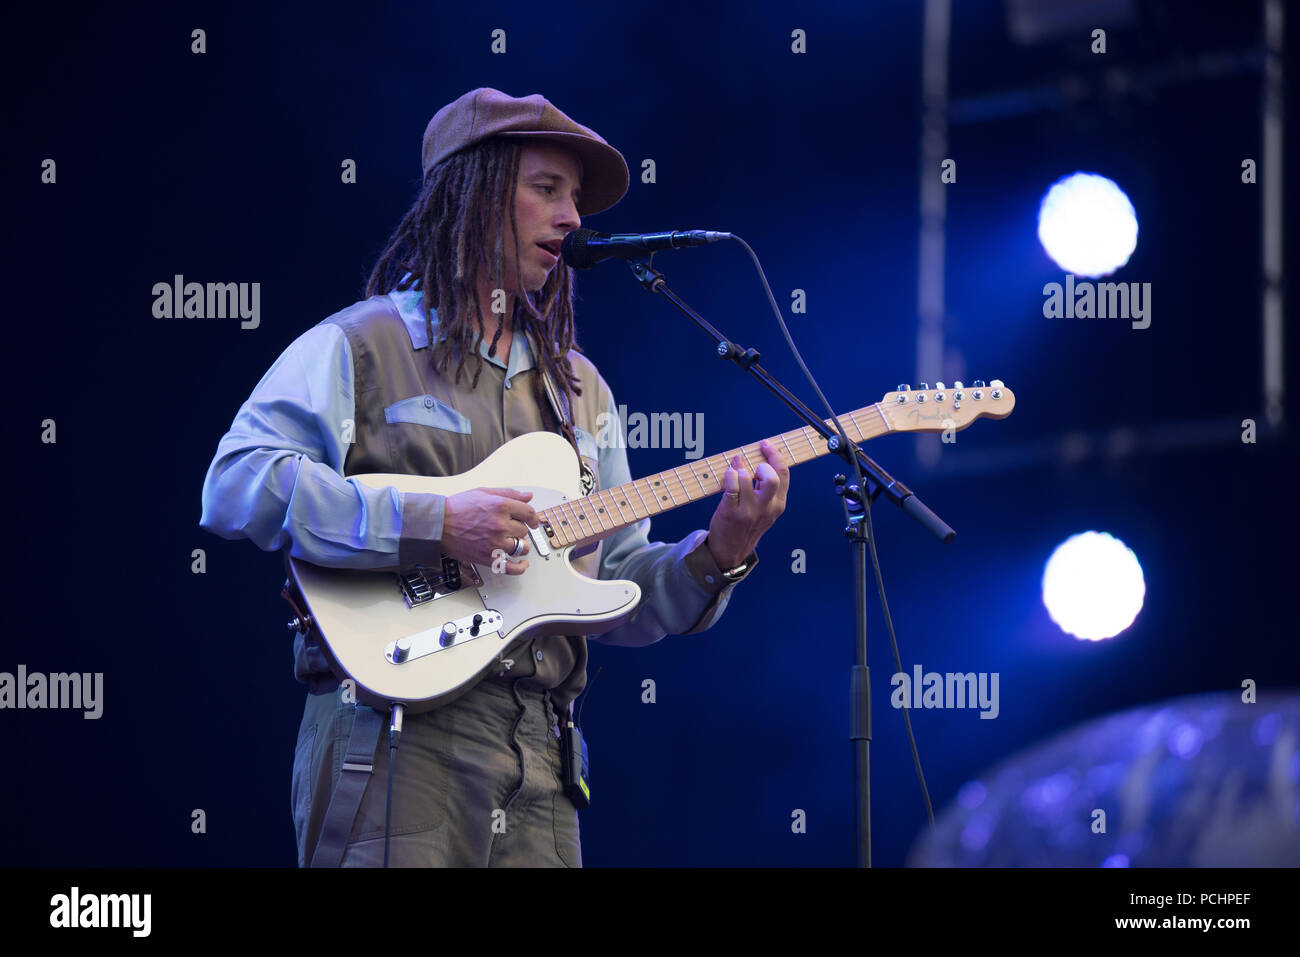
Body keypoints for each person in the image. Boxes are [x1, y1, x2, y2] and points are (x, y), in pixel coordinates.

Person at [198, 87, 789, 867]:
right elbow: (236, 483)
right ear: (471, 195)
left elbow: (614, 585)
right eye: (547, 189)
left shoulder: (583, 392)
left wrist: (720, 551)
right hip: (393, 741)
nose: (574, 217)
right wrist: (433, 521)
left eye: (575, 197)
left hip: (542, 757)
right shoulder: (364, 343)